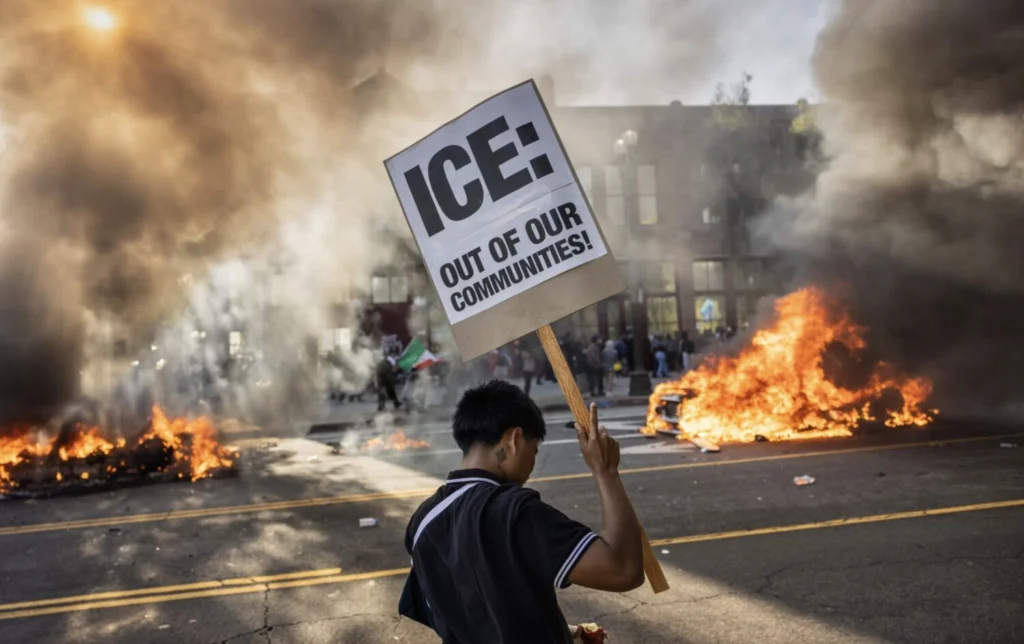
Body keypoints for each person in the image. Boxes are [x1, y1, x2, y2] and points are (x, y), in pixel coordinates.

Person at [399, 381, 644, 643]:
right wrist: (605, 471)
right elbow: (623, 571)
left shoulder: (421, 522)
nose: (532, 463)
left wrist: (565, 632)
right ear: (515, 439)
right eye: (534, 449)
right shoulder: (514, 511)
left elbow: (465, 613)